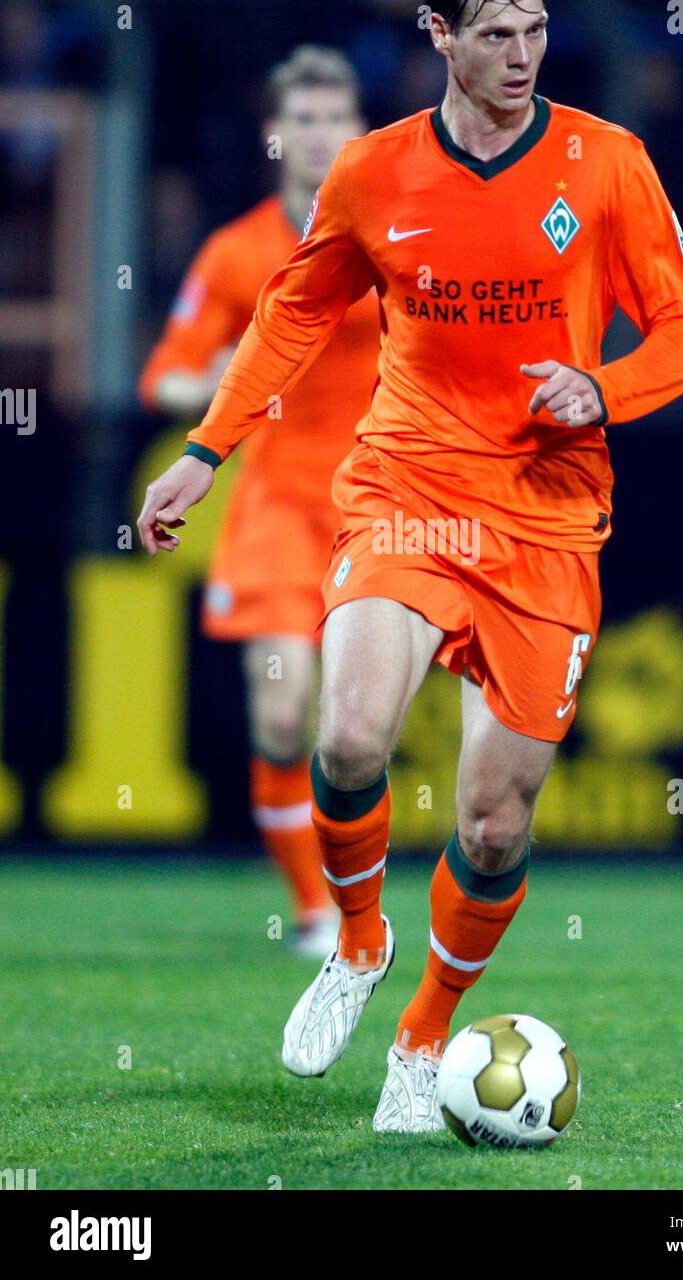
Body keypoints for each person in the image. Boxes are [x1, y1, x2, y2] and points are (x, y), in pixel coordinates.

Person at [138, 0, 683, 1131]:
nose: (521, 57)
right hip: (404, 483)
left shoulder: (604, 163)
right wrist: (204, 453)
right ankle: (356, 940)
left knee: (492, 820)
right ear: (438, 36)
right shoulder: (373, 173)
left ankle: (422, 1032)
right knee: (347, 737)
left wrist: (602, 388)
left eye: (536, 32)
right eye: (494, 36)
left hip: (549, 512)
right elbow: (290, 323)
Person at [138, 47, 378, 957]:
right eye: (305, 120)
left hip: (383, 506)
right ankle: (317, 913)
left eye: (337, 118)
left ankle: (389, 901)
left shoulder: (391, 235)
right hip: (278, 506)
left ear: (360, 130)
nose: (322, 136)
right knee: (282, 715)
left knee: (357, 731)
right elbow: (162, 376)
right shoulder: (235, 253)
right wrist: (208, 384)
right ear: (276, 135)